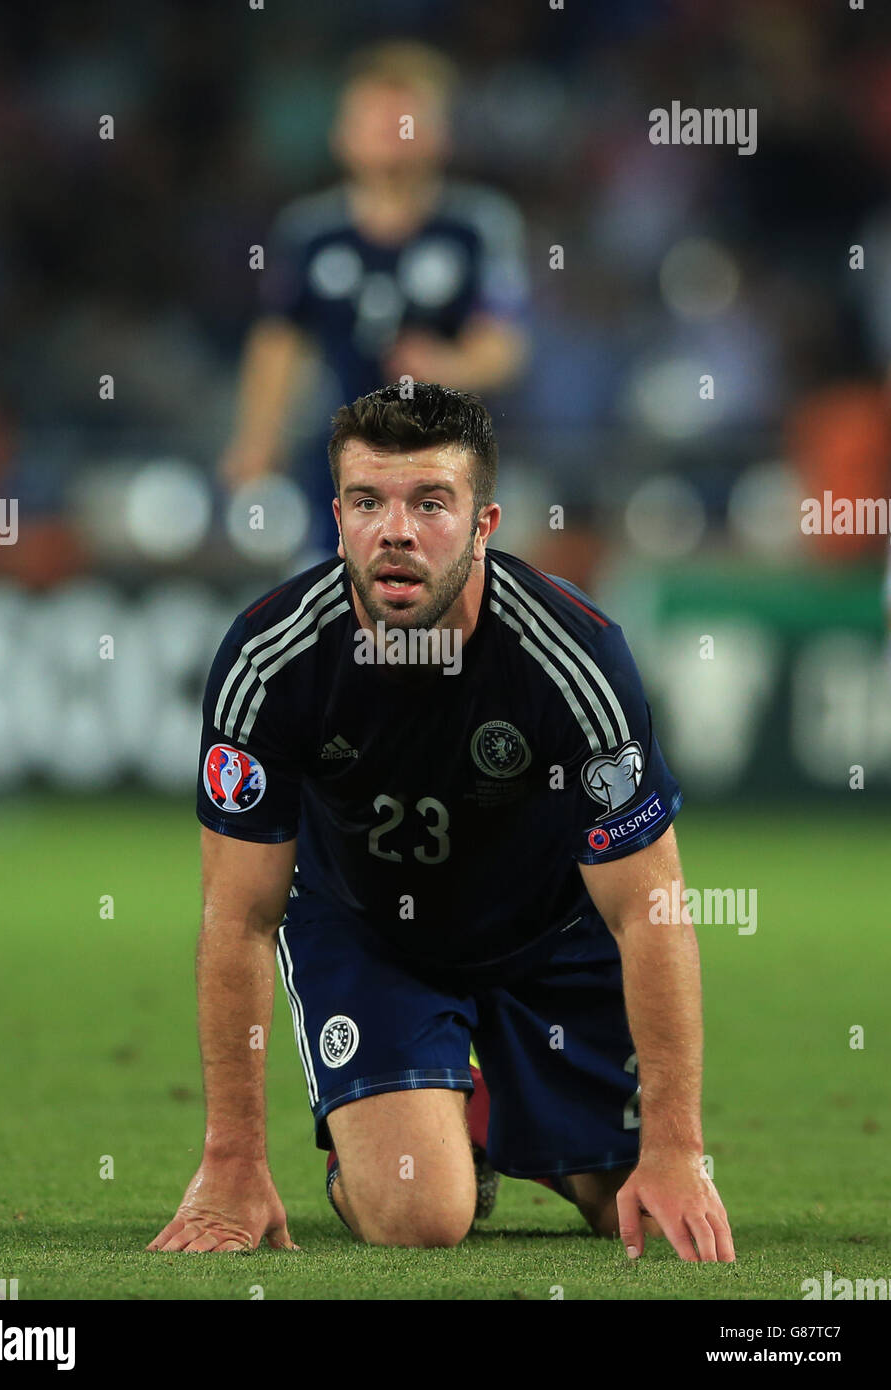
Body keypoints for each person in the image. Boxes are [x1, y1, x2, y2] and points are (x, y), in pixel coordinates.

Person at [148, 383, 734, 1262]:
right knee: (422, 1216)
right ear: (337, 518)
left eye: (430, 503)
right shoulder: (267, 660)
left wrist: (677, 1150)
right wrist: (231, 1161)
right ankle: (419, 1118)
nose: (396, 531)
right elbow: (240, 919)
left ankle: (491, 1110)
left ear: (484, 523)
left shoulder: (575, 657)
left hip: (548, 938)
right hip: (370, 938)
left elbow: (647, 907)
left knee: (631, 1202)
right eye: (366, 501)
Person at [219, 40, 529, 556]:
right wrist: (256, 439)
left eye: (406, 120)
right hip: (337, 475)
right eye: (376, 119)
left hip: (449, 468)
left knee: (452, 617)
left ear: (441, 133)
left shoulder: (477, 228)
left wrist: (449, 366)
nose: (392, 133)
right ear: (343, 135)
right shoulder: (310, 233)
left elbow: (505, 346)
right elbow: (279, 343)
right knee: (332, 609)